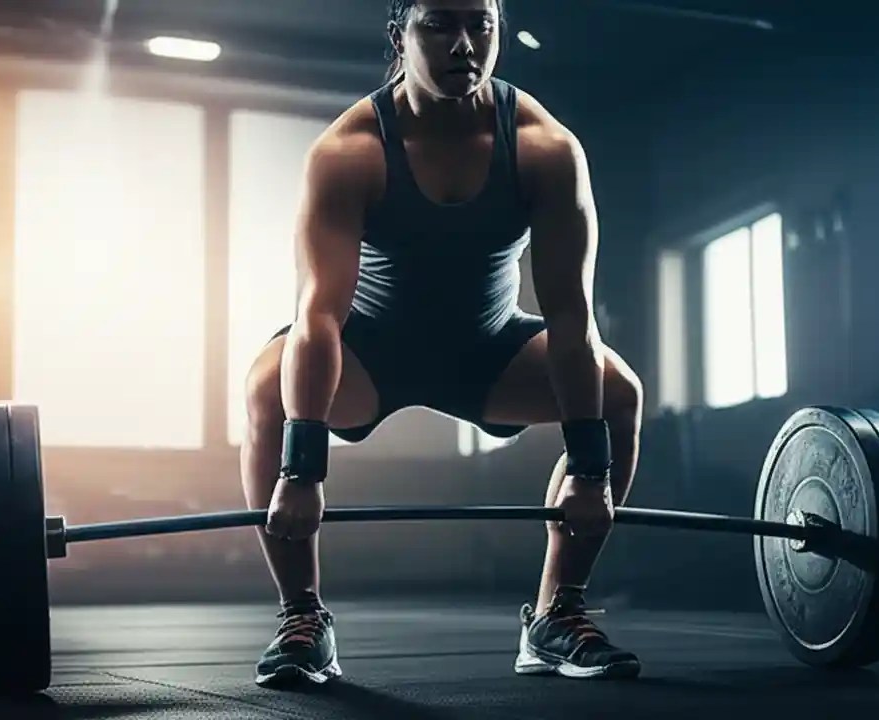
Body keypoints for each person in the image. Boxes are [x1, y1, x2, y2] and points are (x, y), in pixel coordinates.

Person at [240, 0, 645, 687]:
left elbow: (570, 316)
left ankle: (557, 613)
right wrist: (300, 470)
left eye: (480, 25)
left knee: (617, 395)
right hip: (370, 355)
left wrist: (590, 469)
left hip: (488, 354)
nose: (464, 44)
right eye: (439, 25)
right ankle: (302, 618)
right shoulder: (348, 152)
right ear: (399, 36)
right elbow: (319, 317)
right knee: (265, 386)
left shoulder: (546, 149)